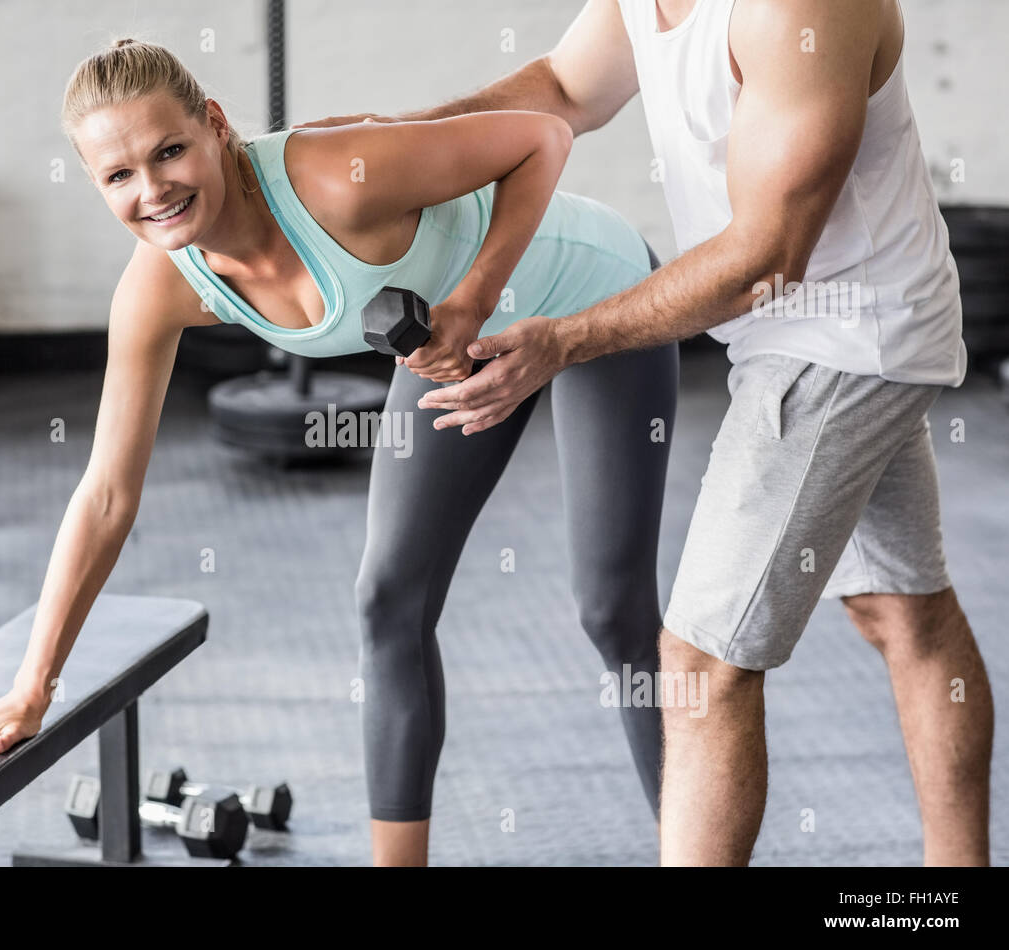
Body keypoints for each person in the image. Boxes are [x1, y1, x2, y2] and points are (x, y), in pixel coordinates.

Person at [0, 37, 679, 866]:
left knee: (613, 612)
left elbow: (542, 139)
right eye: (119, 177)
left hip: (597, 300)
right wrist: (31, 687)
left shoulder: (333, 179)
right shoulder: (162, 285)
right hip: (453, 346)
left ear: (216, 127)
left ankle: (690, 850)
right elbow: (107, 496)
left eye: (170, 152)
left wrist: (473, 301)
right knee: (388, 600)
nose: (153, 191)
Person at [302, 0, 993, 866]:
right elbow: (561, 88)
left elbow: (767, 255)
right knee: (901, 611)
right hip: (801, 330)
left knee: (700, 664)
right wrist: (390, 142)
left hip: (842, 342)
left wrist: (565, 339)